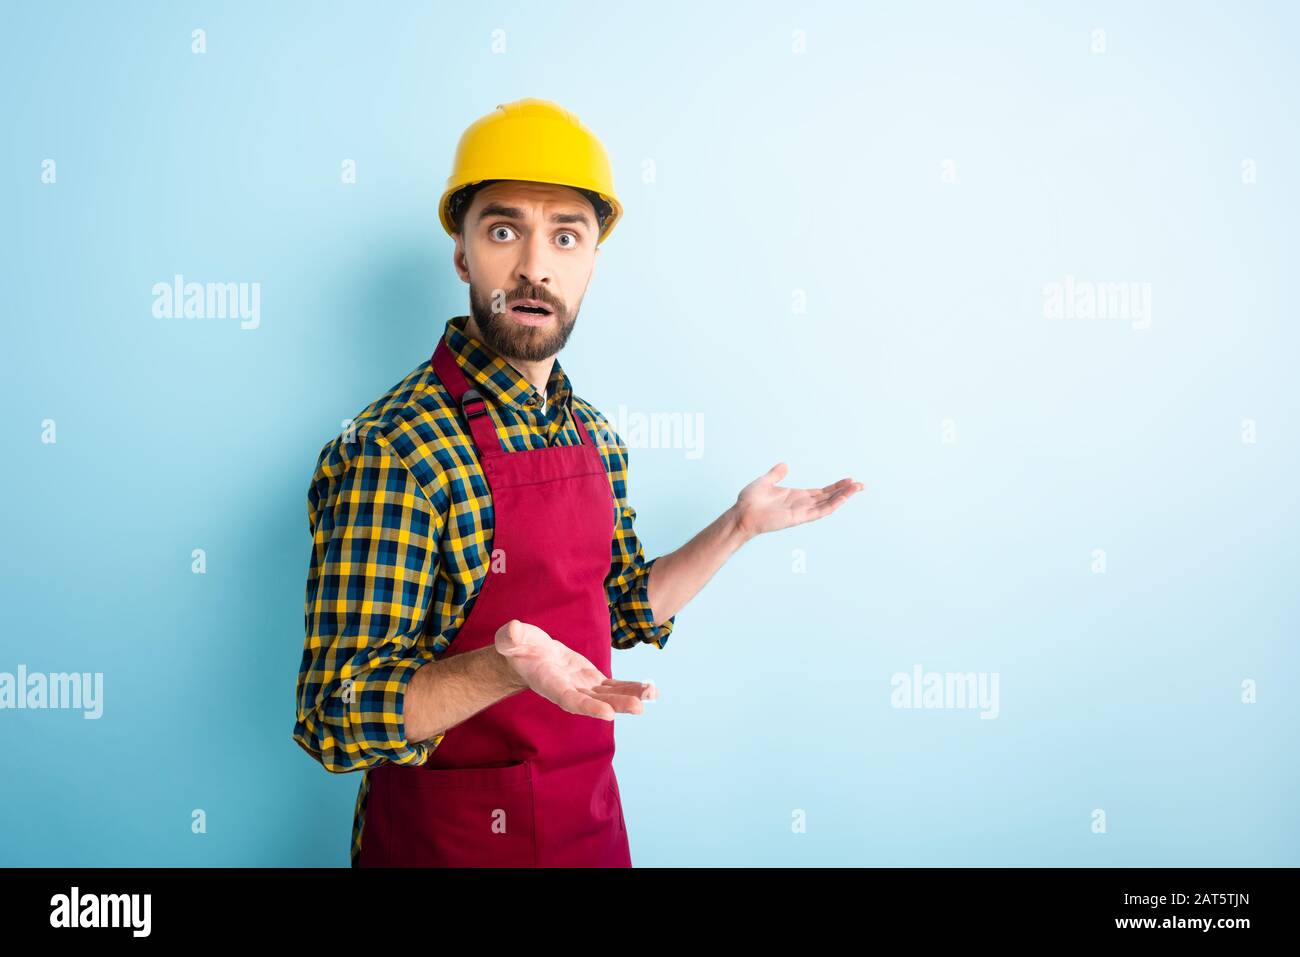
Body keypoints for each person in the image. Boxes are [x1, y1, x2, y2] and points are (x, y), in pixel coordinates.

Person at [292, 98, 864, 867]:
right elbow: (336, 714)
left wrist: (737, 526)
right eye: (503, 231)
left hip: (587, 835)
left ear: (593, 258)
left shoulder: (592, 434)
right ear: (462, 255)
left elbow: (621, 606)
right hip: (449, 845)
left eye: (566, 234)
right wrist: (504, 668)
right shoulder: (394, 449)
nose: (535, 265)